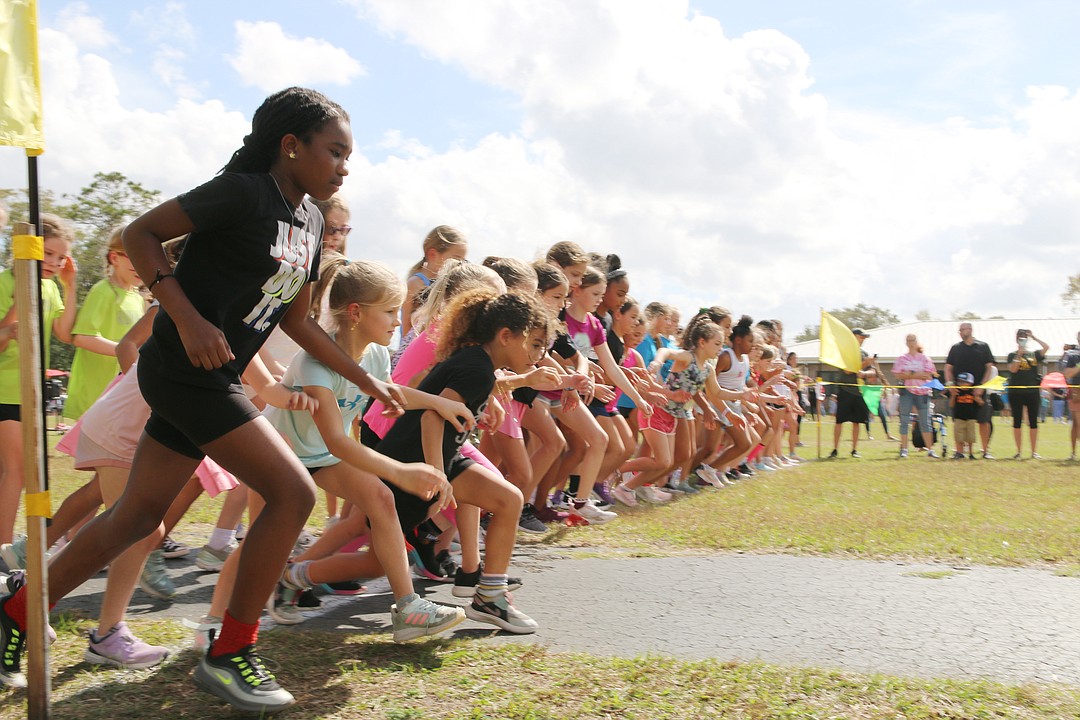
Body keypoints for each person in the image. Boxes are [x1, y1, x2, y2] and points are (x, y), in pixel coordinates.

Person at [0, 88, 406, 714]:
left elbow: (297, 320)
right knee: (293, 494)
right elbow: (140, 234)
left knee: (136, 517)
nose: (344, 167)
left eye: (348, 156)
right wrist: (187, 318)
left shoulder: (310, 221)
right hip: (183, 371)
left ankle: (17, 610)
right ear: (290, 146)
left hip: (217, 377)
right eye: (334, 152)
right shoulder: (243, 193)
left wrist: (368, 379)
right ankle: (230, 651)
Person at [376, 288, 553, 633]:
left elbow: (452, 395)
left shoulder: (478, 362)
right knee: (371, 561)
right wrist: (436, 475)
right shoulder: (477, 368)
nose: (539, 354)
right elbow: (432, 417)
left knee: (509, 500)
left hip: (440, 458)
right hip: (409, 466)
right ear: (505, 336)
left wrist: (500, 397)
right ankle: (297, 576)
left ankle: (490, 597)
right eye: (535, 344)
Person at [0, 213, 79, 548]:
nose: (54, 262)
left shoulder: (50, 286)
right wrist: (19, 304)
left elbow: (64, 332)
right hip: (5, 389)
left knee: (21, 472)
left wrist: (70, 286)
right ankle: (4, 549)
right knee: (17, 471)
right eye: (47, 253)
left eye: (61, 257)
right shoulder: (5, 282)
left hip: (30, 392)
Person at [63, 227, 146, 419]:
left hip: (118, 396)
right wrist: (126, 351)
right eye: (134, 257)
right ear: (114, 258)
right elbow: (82, 338)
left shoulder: (137, 298)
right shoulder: (102, 291)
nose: (142, 264)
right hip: (93, 396)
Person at [400, 225, 468, 339]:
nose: (460, 265)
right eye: (456, 259)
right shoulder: (415, 284)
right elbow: (406, 329)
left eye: (463, 261)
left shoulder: (450, 286)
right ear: (432, 254)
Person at [944, 322, 996, 459]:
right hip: (960, 392)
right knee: (960, 421)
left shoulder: (983, 347)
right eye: (959, 331)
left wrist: (981, 386)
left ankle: (985, 451)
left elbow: (989, 368)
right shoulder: (955, 348)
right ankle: (959, 452)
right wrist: (950, 385)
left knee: (983, 421)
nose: (961, 332)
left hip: (978, 391)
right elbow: (948, 368)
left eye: (963, 330)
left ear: (970, 330)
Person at [828, 328, 876, 459]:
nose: (863, 339)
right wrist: (865, 363)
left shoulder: (864, 353)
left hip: (859, 392)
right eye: (861, 337)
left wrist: (865, 373)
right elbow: (847, 371)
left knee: (857, 422)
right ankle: (835, 450)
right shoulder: (845, 352)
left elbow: (873, 372)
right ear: (853, 337)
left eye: (864, 337)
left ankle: (854, 450)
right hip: (845, 391)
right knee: (839, 421)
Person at [893, 333, 937, 459]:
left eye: (913, 340)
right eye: (908, 340)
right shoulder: (902, 358)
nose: (911, 343)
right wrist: (916, 375)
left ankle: (930, 450)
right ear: (906, 343)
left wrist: (910, 374)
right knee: (904, 420)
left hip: (923, 393)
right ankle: (904, 449)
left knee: (925, 421)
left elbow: (928, 375)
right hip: (907, 392)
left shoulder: (925, 358)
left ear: (916, 342)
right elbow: (898, 375)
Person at [1006, 328, 1048, 459]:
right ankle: (1018, 452)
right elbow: (1013, 370)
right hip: (1016, 392)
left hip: (1032, 391)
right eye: (1020, 337)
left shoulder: (1034, 354)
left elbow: (1046, 347)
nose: (1022, 339)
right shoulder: (1012, 355)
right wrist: (1019, 354)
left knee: (1033, 422)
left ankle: (1034, 452)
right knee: (1017, 421)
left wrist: (1034, 337)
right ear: (1016, 339)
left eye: (1024, 337)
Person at [1059, 334, 1080, 459]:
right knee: (1077, 424)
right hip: (1077, 391)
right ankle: (1073, 453)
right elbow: (1067, 374)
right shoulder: (1073, 355)